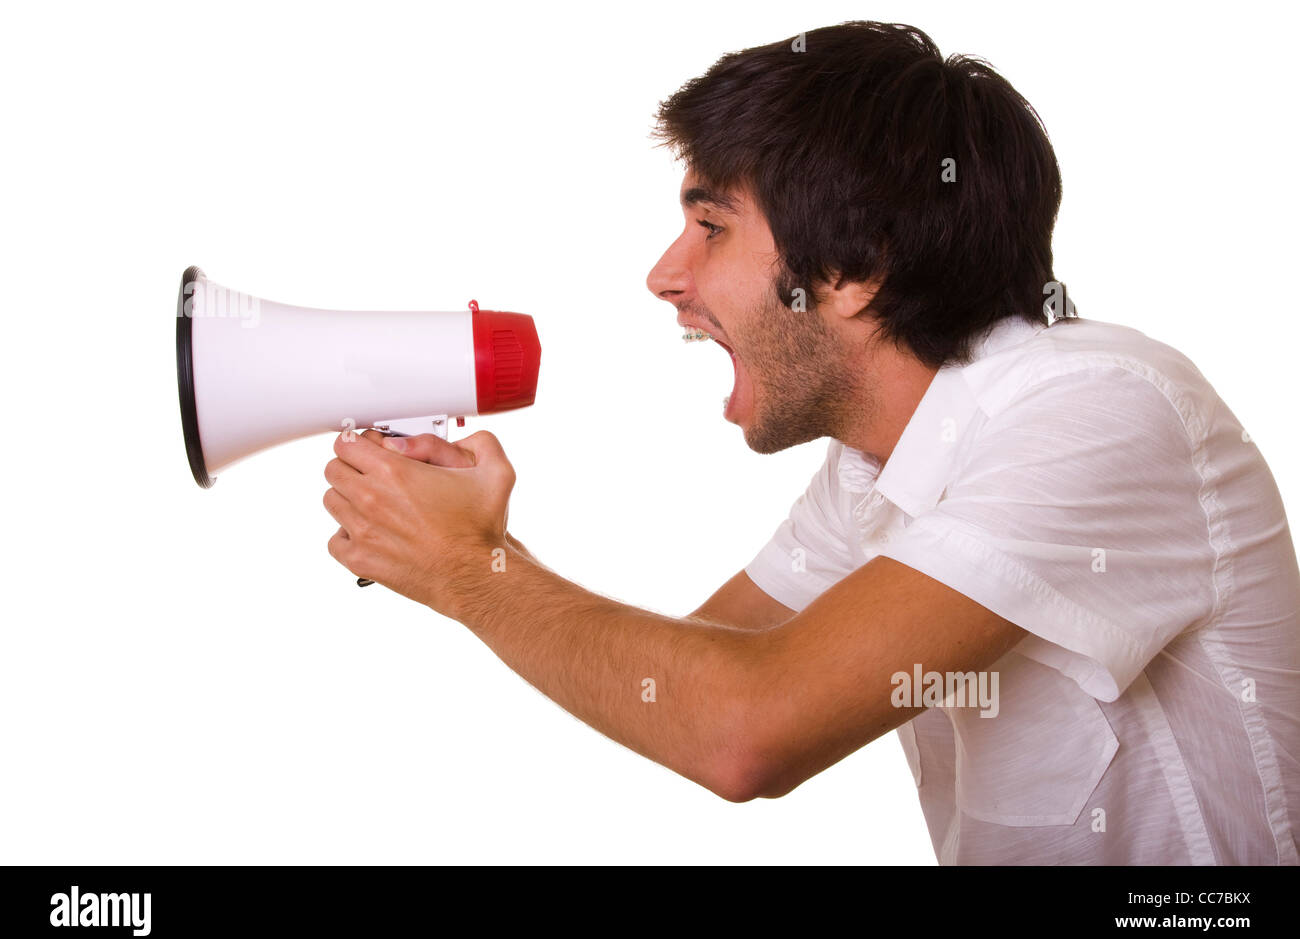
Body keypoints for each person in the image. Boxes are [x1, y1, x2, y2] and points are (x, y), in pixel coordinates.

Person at [321, 21, 1300, 864]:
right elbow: (692, 674)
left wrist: (470, 567)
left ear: (854, 265)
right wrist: (489, 546)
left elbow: (747, 732)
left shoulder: (1098, 408)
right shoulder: (882, 462)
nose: (663, 274)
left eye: (710, 225)